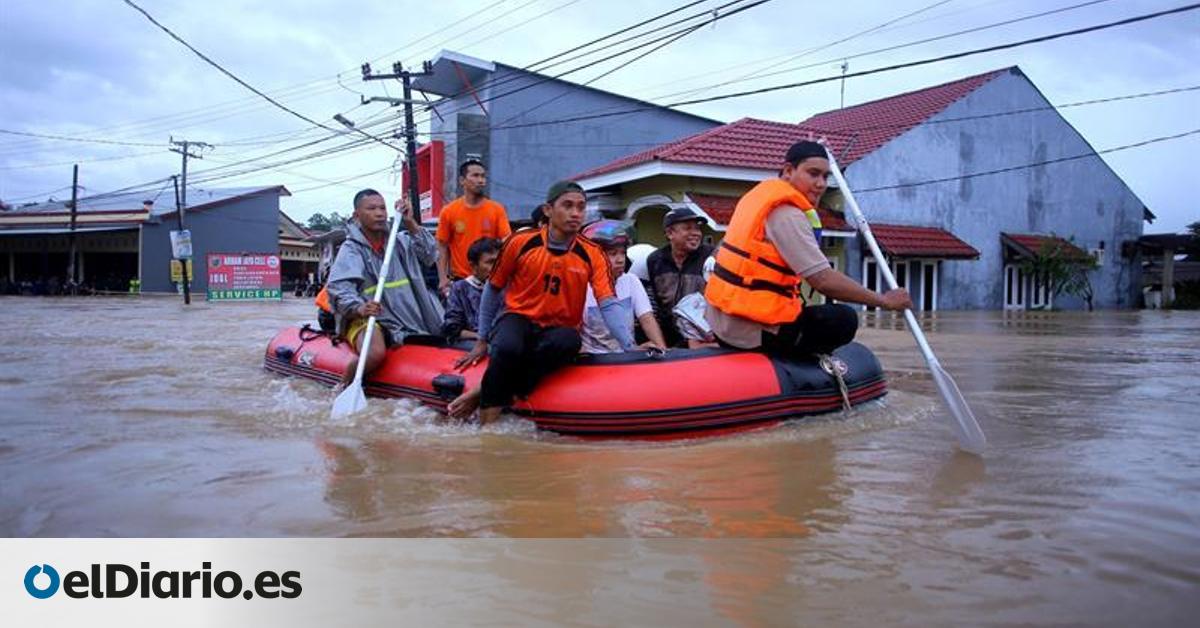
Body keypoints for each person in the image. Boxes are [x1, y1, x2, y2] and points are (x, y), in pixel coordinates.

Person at [447, 181, 636, 423]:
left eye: (581, 207)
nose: (576, 213)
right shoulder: (520, 242)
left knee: (569, 341)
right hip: (518, 318)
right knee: (506, 348)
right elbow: (492, 290)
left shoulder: (593, 253)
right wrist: (482, 340)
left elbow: (608, 303)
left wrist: (630, 347)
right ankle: (487, 429)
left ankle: (481, 392)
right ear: (548, 210)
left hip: (559, 328)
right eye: (567, 206)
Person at [705, 141, 912, 358]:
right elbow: (823, 280)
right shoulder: (787, 214)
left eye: (825, 176)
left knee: (802, 310)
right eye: (813, 174)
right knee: (843, 319)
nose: (821, 184)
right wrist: (884, 301)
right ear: (788, 171)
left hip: (720, 321)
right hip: (749, 332)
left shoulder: (754, 199)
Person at [326, 189, 444, 383]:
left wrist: (410, 223)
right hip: (369, 316)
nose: (379, 213)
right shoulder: (351, 249)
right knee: (374, 354)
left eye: (382, 208)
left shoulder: (400, 242)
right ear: (357, 215)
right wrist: (359, 307)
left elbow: (430, 255)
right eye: (371, 208)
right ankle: (342, 385)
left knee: (444, 334)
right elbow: (340, 288)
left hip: (407, 315)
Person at [578, 219, 667, 354]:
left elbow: (647, 319)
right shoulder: (579, 288)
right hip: (592, 361)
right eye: (612, 254)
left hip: (627, 357)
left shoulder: (631, 281)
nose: (620, 260)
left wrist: (663, 350)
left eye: (622, 253)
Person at [435, 159, 511, 297]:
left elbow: (507, 242)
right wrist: (442, 278)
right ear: (462, 180)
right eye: (475, 176)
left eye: (483, 176)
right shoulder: (449, 211)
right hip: (461, 281)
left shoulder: (496, 209)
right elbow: (442, 246)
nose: (481, 180)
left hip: (490, 280)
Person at [646, 207, 715, 347]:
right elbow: (655, 305)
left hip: (703, 342)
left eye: (697, 228)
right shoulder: (655, 260)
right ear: (670, 233)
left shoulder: (710, 257)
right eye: (688, 228)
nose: (696, 233)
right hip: (668, 342)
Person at [441, 237, 501, 341]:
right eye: (490, 262)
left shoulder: (507, 286)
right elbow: (452, 327)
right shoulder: (460, 289)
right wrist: (480, 337)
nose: (496, 267)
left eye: (499, 262)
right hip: (472, 344)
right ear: (473, 266)